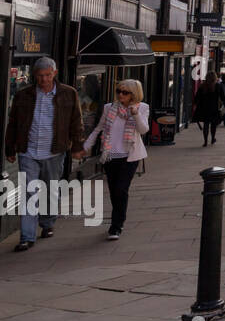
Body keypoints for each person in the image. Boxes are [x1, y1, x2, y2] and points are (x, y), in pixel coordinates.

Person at [4, 57, 86, 251]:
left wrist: (77, 147)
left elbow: (76, 122)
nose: (44, 80)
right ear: (34, 76)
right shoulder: (23, 96)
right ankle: (27, 236)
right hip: (29, 152)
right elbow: (13, 123)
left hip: (54, 151)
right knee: (29, 192)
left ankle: (48, 223)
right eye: (40, 76)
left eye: (48, 75)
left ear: (54, 73)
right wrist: (10, 149)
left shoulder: (68, 93)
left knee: (50, 191)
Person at [82, 78, 149, 240]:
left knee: (121, 189)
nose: (120, 95)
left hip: (129, 156)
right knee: (114, 191)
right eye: (119, 91)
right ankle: (118, 219)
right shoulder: (109, 108)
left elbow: (143, 130)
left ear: (134, 94)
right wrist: (86, 145)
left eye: (125, 92)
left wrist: (136, 115)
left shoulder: (142, 108)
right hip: (110, 155)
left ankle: (116, 225)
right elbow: (99, 128)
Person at [193, 73, 223, 147]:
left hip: (204, 108)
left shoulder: (202, 86)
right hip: (214, 108)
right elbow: (222, 96)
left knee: (206, 124)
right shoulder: (217, 86)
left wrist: (196, 104)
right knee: (213, 125)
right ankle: (212, 139)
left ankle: (205, 141)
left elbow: (197, 98)